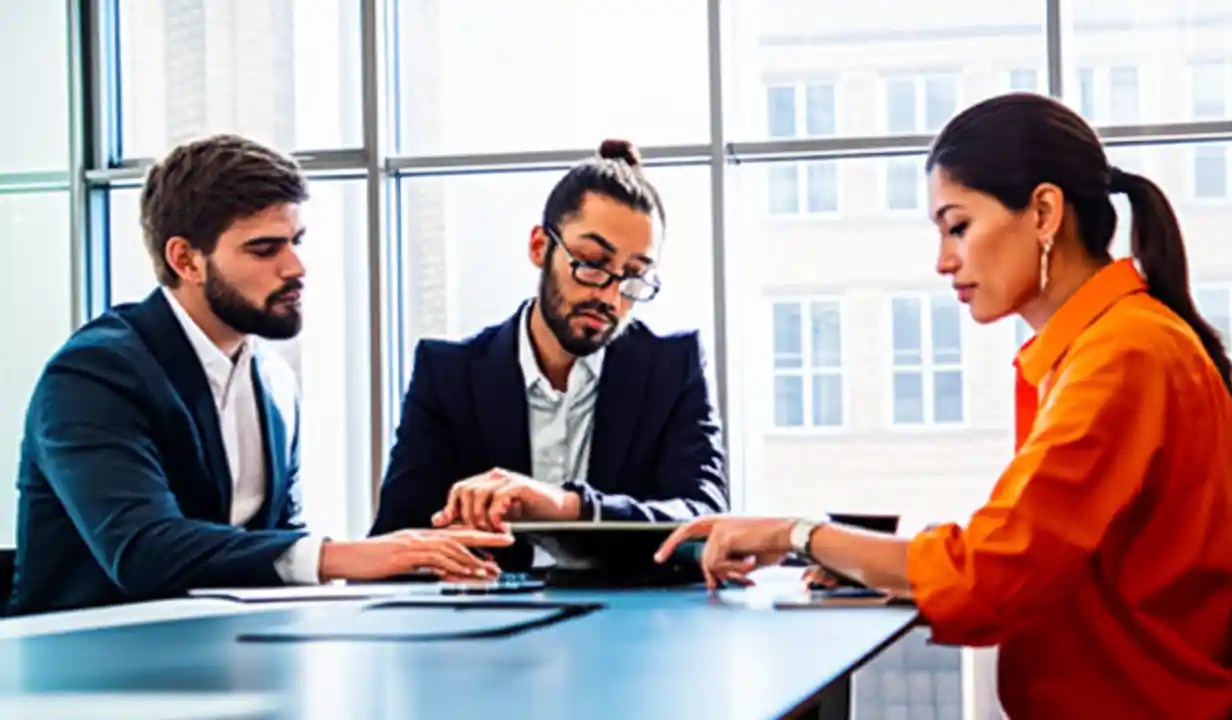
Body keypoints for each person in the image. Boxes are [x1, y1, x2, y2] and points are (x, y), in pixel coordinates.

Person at [655, 94, 1232, 717]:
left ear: (1044, 212)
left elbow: (988, 581)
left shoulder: (1122, 355)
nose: (944, 260)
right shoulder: (1107, 344)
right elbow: (1016, 547)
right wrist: (857, 557)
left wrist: (799, 534)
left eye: (959, 226)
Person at [8, 134, 510, 616]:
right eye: (265, 249)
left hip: (225, 660)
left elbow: (274, 542)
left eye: (296, 241)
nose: (296, 267)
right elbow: (144, 551)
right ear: (186, 260)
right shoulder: (94, 375)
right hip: (90, 678)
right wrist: (346, 556)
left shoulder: (271, 381)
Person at [372, 139, 729, 569]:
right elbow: (393, 539)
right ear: (540, 247)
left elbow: (706, 519)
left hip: (626, 622)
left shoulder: (673, 368)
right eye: (593, 263)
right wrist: (441, 548)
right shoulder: (448, 374)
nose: (611, 299)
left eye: (634, 277)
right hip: (485, 623)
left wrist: (568, 507)